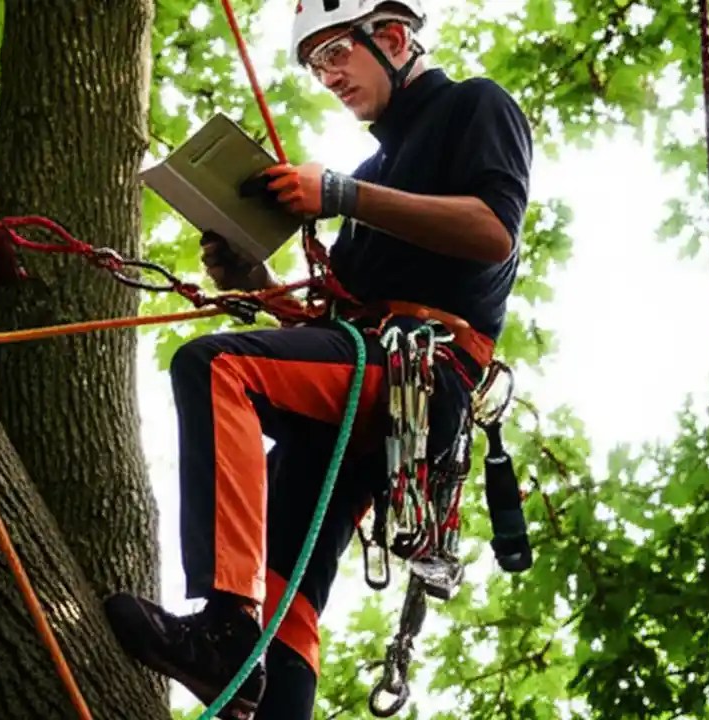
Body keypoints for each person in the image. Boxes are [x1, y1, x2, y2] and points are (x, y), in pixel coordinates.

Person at [103, 0, 533, 717]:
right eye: (314, 64)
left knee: (216, 367)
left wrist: (339, 193)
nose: (326, 75)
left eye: (336, 53)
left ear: (392, 38)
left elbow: (493, 232)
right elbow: (336, 326)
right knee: (282, 579)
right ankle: (255, 672)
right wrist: (260, 288)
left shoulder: (473, 107)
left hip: (420, 371)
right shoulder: (377, 169)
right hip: (363, 379)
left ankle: (224, 632)